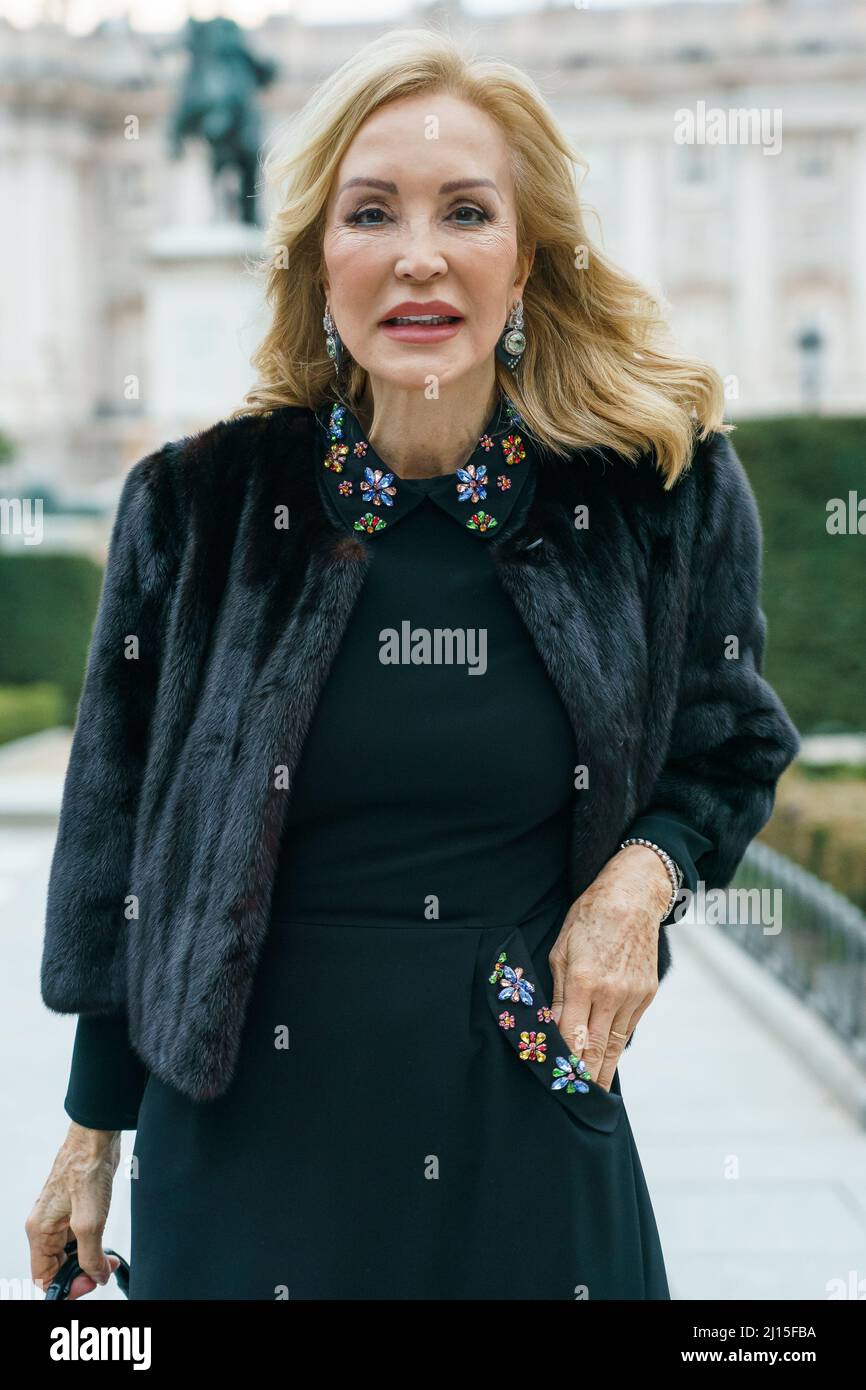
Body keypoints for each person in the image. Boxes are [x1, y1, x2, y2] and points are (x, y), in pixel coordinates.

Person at [27, 28, 800, 1300]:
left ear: (526, 256)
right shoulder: (197, 505)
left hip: (522, 1114)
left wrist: (637, 884)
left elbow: (726, 746)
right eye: (371, 210)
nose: (418, 253)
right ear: (317, 256)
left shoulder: (660, 493)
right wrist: (89, 1124)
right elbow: (119, 841)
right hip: (240, 1141)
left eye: (465, 211)